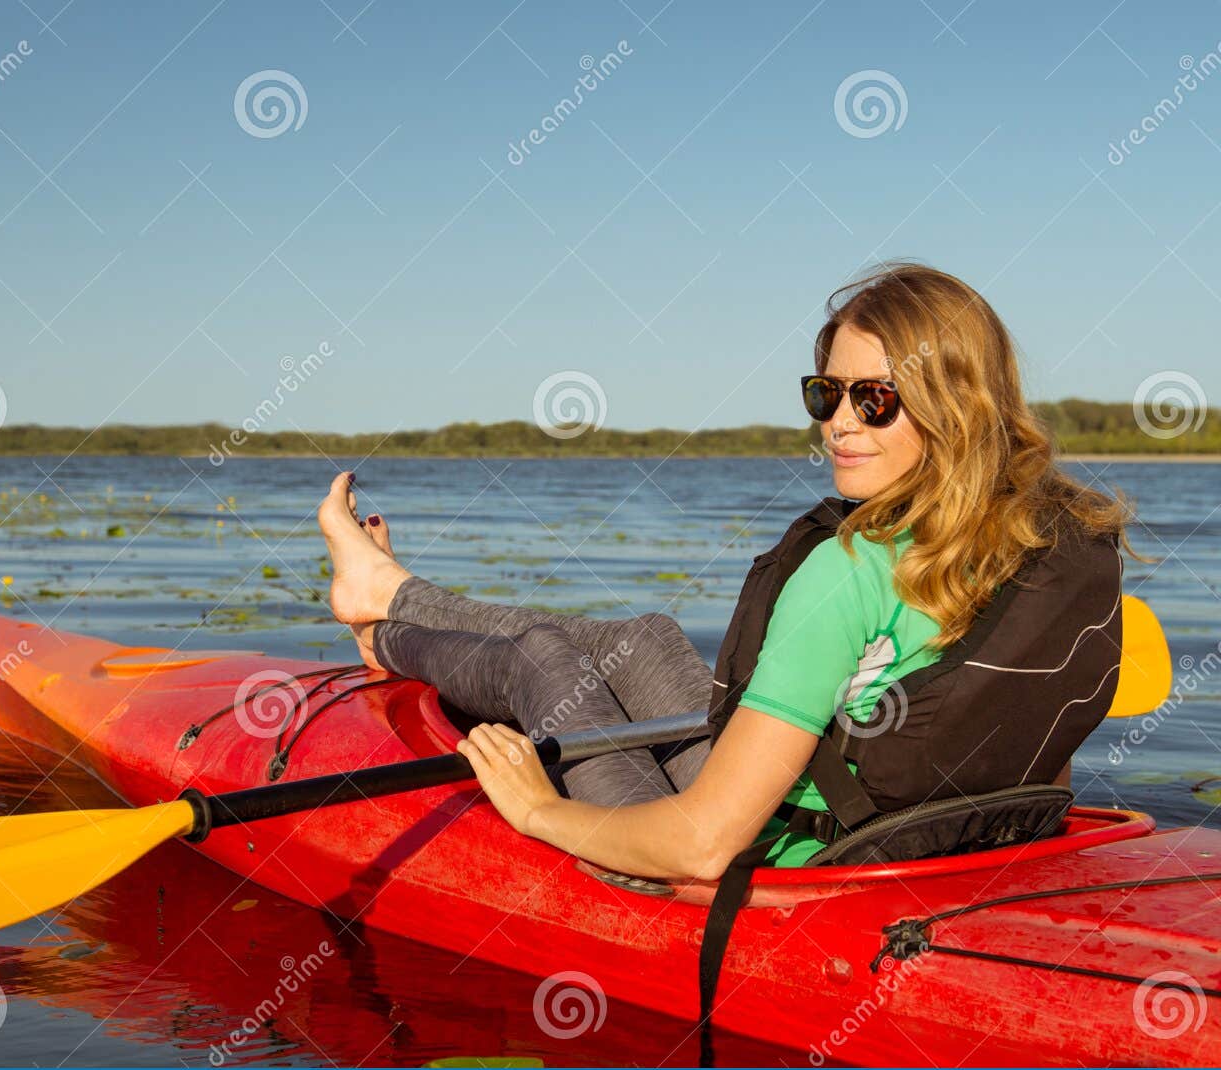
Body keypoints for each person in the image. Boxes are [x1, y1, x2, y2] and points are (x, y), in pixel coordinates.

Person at [316, 262, 1130, 883]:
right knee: (645, 640)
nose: (839, 425)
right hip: (920, 832)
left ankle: (388, 636)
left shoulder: (847, 572)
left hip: (797, 855)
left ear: (952, 405)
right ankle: (388, 595)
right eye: (827, 394)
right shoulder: (1051, 538)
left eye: (874, 400)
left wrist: (539, 809)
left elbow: (703, 846)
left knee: (542, 662)